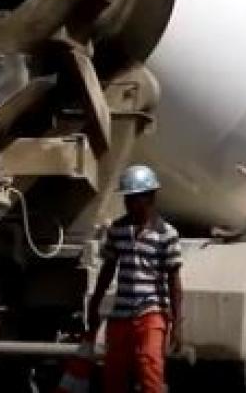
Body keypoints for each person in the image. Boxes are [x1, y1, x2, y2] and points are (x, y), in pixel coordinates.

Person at [88, 164, 183, 393]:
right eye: (127, 199)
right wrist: (95, 303)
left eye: (134, 198)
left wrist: (177, 324)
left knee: (150, 368)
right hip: (121, 313)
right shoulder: (118, 230)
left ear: (149, 198)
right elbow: (108, 268)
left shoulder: (166, 234)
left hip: (152, 312)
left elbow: (174, 280)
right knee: (114, 374)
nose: (128, 203)